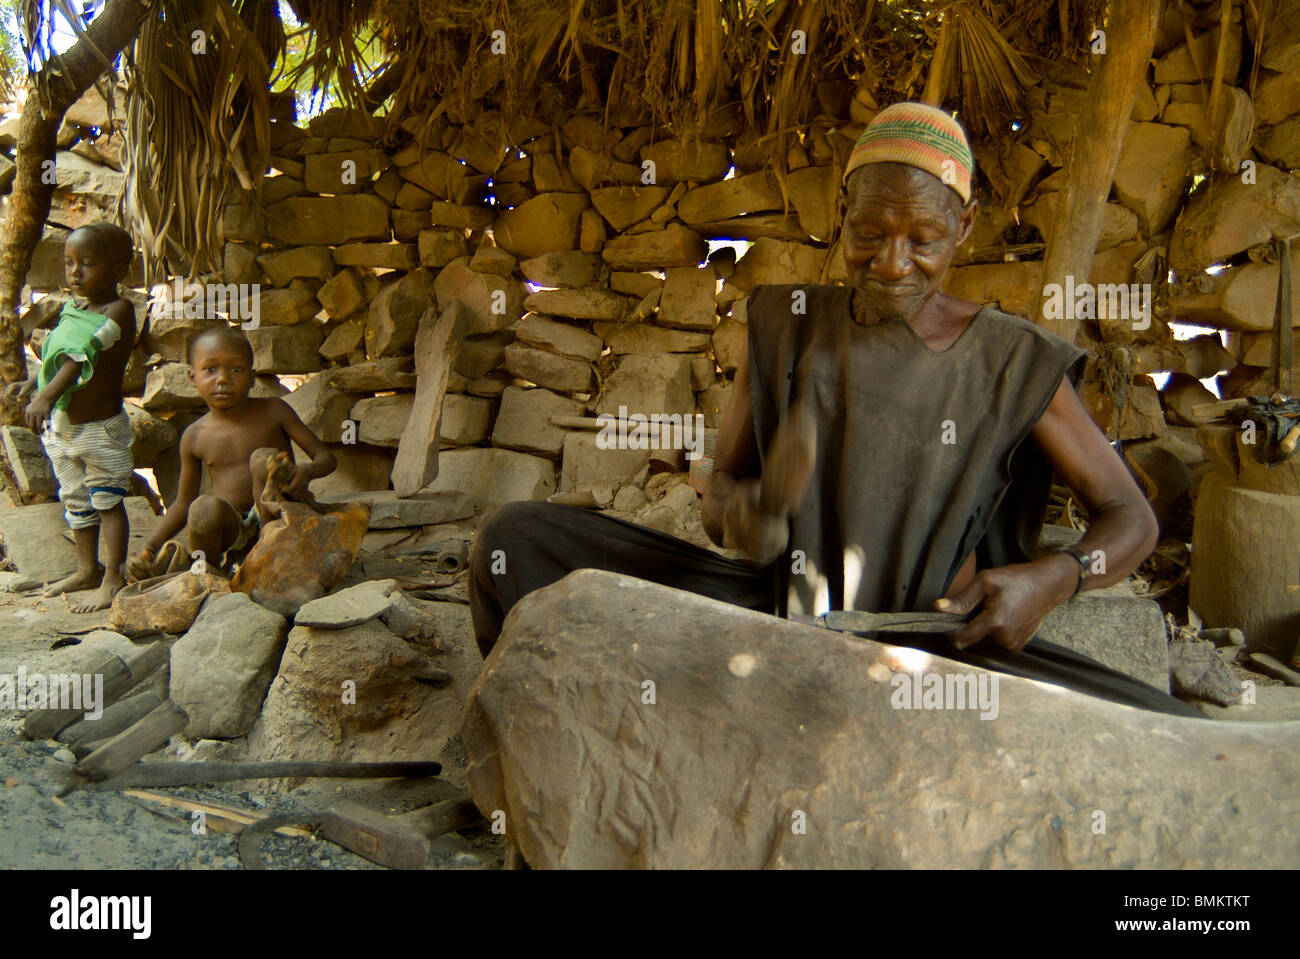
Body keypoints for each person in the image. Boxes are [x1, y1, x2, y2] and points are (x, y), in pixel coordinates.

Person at [468, 102, 1200, 717]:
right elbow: (724, 493)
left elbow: (1131, 519)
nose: (891, 263)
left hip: (934, 653)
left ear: (966, 227)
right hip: (778, 618)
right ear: (839, 216)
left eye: (924, 240)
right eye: (869, 234)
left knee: (1176, 734)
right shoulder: (783, 322)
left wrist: (1053, 578)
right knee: (518, 539)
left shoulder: (1011, 360)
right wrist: (742, 516)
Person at [126, 326, 337, 579]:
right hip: (234, 530)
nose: (223, 379)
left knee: (263, 458)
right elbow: (183, 504)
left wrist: (307, 471)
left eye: (236, 370)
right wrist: (150, 547)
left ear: (251, 377)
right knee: (203, 507)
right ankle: (212, 572)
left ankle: (272, 556)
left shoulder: (274, 411)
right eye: (210, 369)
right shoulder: (195, 435)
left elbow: (326, 457)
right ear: (193, 378)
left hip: (282, 518)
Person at [4, 223, 137, 612]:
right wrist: (32, 383)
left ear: (117, 272)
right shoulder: (72, 309)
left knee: (108, 500)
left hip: (100, 431)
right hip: (64, 429)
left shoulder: (118, 311)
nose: (74, 272)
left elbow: (81, 358)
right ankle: (86, 570)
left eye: (87, 263)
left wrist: (46, 396)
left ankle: (113, 577)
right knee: (77, 500)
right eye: (69, 263)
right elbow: (56, 358)